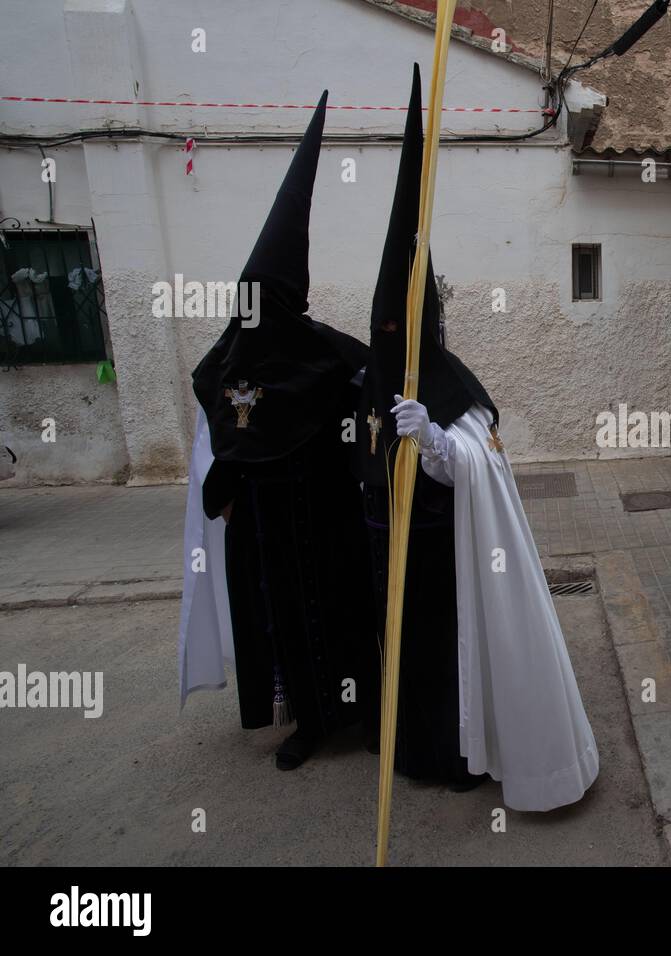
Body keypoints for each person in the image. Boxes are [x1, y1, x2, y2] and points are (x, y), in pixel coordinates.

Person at [364, 65, 598, 811]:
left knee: (447, 660)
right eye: (384, 328)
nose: (391, 338)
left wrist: (432, 438)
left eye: (401, 327)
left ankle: (467, 754)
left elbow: (477, 464)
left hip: (447, 556)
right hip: (387, 552)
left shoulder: (450, 379)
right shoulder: (372, 373)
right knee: (403, 660)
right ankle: (413, 749)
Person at [179, 91, 378, 771]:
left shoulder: (327, 351)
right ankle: (311, 722)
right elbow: (220, 442)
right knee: (289, 624)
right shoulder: (229, 361)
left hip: (330, 519)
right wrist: (224, 483)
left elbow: (373, 391)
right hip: (268, 532)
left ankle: (366, 714)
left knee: (350, 615)